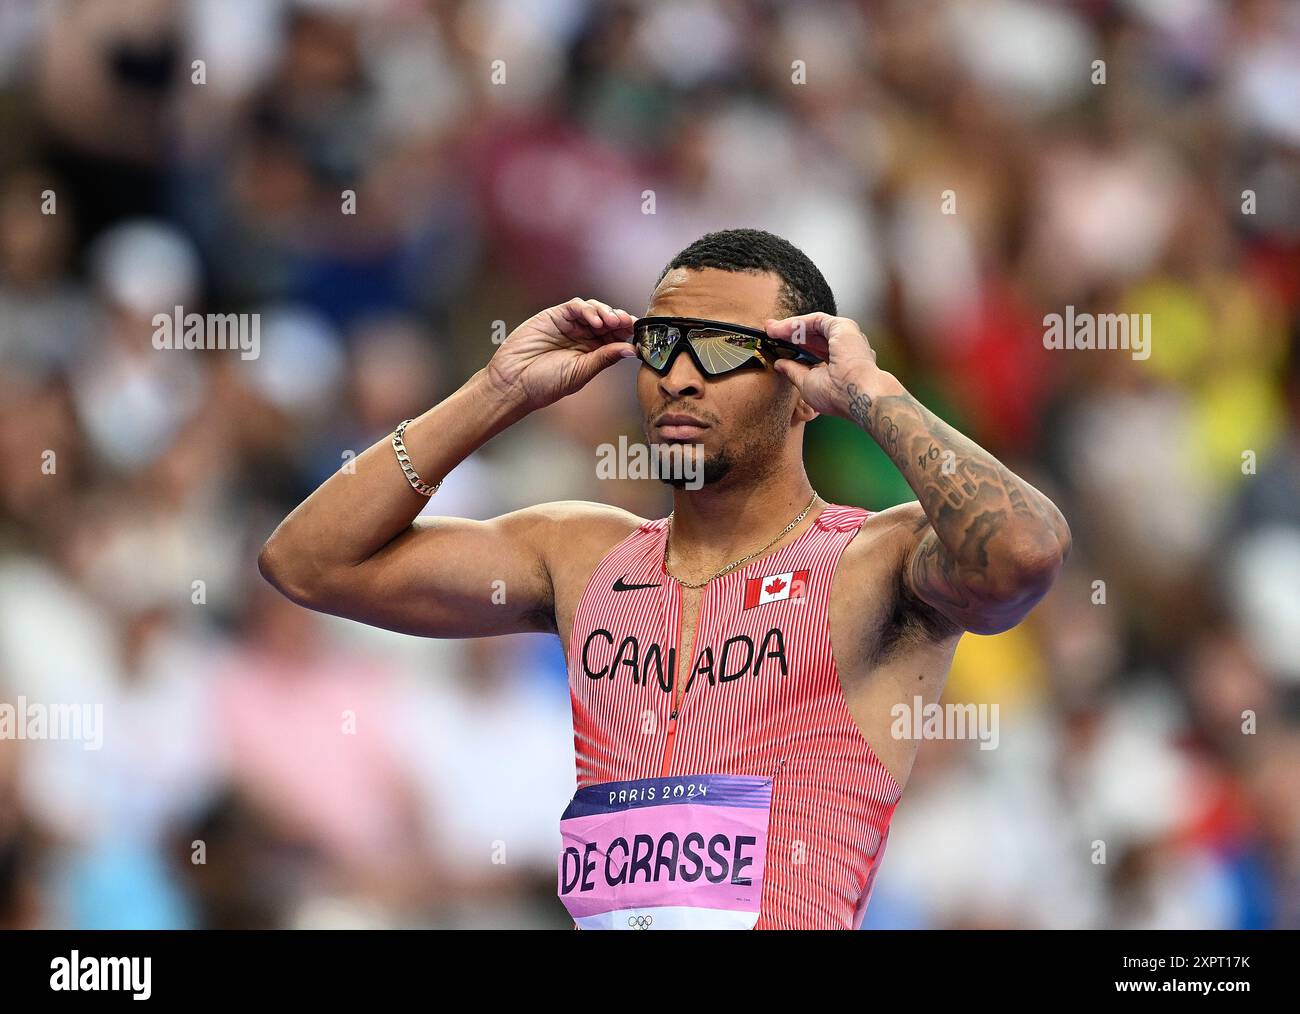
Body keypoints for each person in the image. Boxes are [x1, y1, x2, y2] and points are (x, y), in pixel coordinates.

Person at [259, 228, 1071, 929]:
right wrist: (495, 393)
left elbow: (1025, 553)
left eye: (719, 349)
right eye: (660, 343)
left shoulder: (874, 562)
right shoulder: (580, 555)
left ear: (805, 378)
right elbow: (307, 562)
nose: (679, 375)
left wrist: (872, 391)